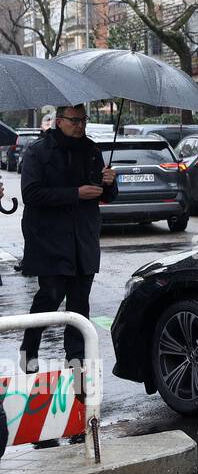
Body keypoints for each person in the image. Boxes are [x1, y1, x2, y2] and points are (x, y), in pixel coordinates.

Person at [17, 104, 117, 374]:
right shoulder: (38, 151)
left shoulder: (92, 152)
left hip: (83, 239)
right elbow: (31, 194)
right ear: (59, 121)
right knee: (49, 297)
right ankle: (29, 352)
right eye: (74, 120)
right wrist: (74, 193)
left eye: (83, 120)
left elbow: (104, 195)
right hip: (49, 240)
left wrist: (109, 182)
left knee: (79, 303)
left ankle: (76, 362)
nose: (80, 125)